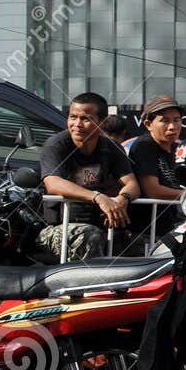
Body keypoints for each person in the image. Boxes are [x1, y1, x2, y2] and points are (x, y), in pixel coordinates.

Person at [38, 93, 138, 263]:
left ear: (103, 122)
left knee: (138, 243)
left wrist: (123, 199)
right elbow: (53, 183)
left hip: (101, 224)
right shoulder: (56, 144)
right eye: (72, 117)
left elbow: (132, 184)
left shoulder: (111, 147)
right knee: (89, 236)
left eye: (85, 119)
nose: (77, 124)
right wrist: (98, 197)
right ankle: (79, 289)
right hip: (56, 227)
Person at [129, 94, 184, 201]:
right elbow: (153, 191)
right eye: (165, 121)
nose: (172, 127)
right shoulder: (144, 145)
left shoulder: (179, 147)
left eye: (176, 120)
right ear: (148, 124)